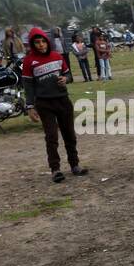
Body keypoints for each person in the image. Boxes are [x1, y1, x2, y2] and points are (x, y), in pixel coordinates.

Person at [20, 27, 87, 183]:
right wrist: (30, 107)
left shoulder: (57, 56)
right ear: (32, 44)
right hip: (44, 103)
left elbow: (68, 75)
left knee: (69, 134)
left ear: (47, 42)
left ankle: (75, 165)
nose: (41, 45)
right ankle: (55, 169)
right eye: (37, 42)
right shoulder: (29, 61)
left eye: (43, 41)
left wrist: (66, 79)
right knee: (51, 137)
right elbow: (28, 86)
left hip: (63, 101)